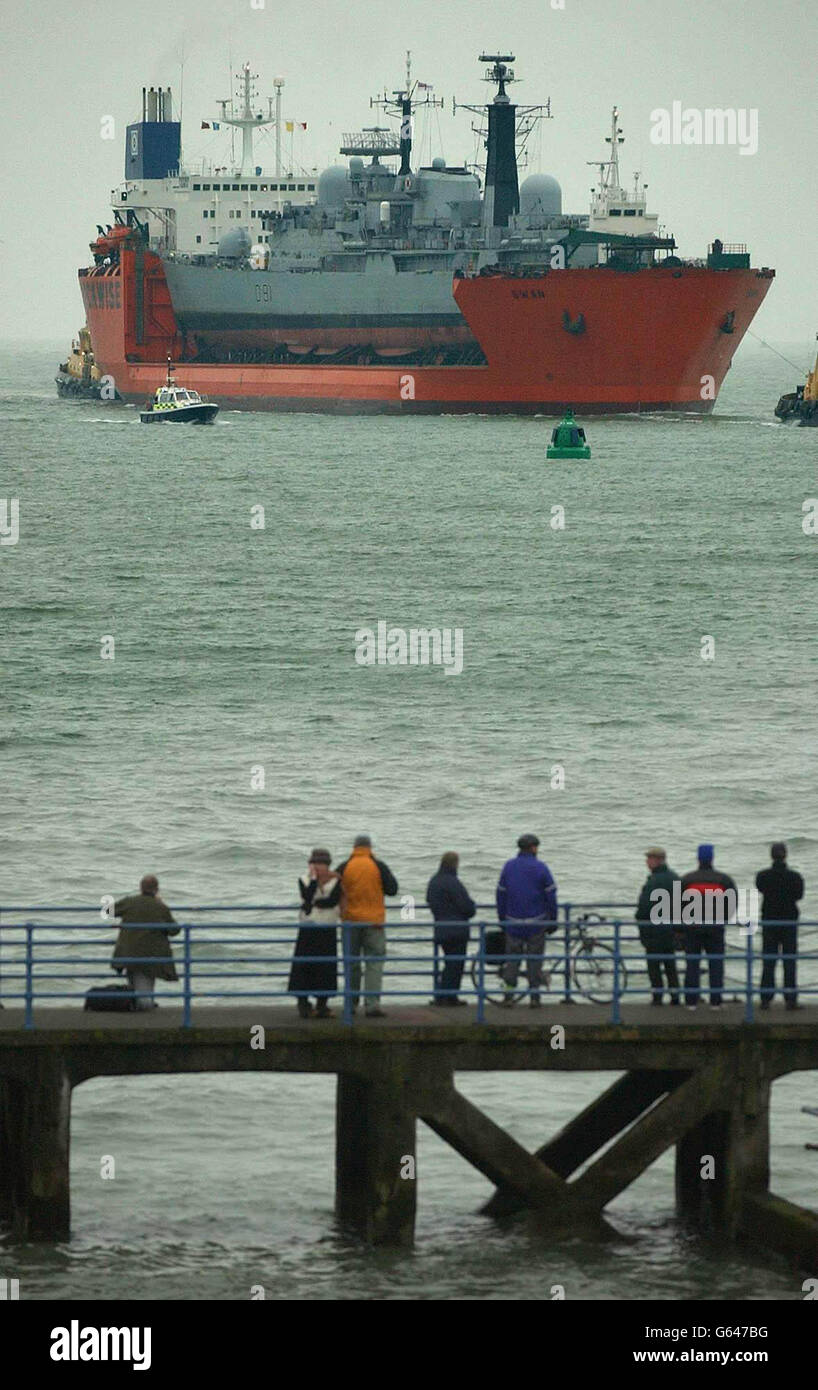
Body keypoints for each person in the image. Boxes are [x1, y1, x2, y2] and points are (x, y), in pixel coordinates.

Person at [337, 835, 398, 1018]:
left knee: (352, 963)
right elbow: (393, 889)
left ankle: (351, 1004)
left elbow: (334, 890)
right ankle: (372, 1005)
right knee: (374, 962)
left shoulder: (344, 866)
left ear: (354, 847)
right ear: (370, 847)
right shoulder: (378, 865)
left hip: (350, 922)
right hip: (374, 922)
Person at [496, 834, 557, 1007]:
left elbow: (500, 894)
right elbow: (551, 896)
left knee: (512, 960)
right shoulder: (541, 868)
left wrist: (502, 919)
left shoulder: (508, 867)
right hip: (536, 923)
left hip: (513, 923)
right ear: (533, 848)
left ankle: (508, 995)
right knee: (534, 960)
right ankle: (534, 996)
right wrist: (553, 920)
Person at [679, 845, 736, 1009]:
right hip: (715, 929)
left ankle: (691, 1002)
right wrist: (723, 918)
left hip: (692, 929)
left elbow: (677, 905)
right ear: (712, 858)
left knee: (692, 965)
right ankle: (716, 1002)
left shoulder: (687, 880)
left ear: (698, 859)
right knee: (716, 965)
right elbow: (732, 904)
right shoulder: (724, 880)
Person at [112, 874, 179, 1010]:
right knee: (145, 1002)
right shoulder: (160, 907)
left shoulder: (129, 902)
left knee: (134, 984)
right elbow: (174, 931)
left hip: (126, 953)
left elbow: (106, 911)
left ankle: (134, 1004)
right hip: (150, 956)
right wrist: (160, 903)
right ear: (156, 890)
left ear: (140, 888)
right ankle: (142, 1007)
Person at [288, 849, 341, 1018]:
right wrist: (313, 881)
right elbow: (307, 896)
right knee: (303, 967)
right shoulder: (303, 879)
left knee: (325, 968)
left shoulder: (336, 880)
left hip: (327, 928)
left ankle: (322, 1005)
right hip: (308, 928)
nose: (318, 867)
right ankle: (303, 1004)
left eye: (322, 864)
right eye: (315, 864)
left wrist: (315, 902)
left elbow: (332, 901)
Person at [756, 842, 804, 1010]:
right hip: (789, 922)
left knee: (769, 961)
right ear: (786, 855)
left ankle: (765, 999)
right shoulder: (795, 877)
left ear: (771, 856)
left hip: (770, 922)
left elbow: (760, 889)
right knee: (789, 961)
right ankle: (790, 999)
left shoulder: (762, 876)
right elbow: (799, 895)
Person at [426, 851, 476, 1006]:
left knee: (449, 963)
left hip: (441, 927)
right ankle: (448, 996)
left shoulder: (434, 881)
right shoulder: (453, 882)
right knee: (455, 965)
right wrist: (471, 907)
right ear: (455, 864)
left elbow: (429, 900)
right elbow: (467, 907)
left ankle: (444, 995)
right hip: (457, 929)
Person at [635, 847, 681, 1005]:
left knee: (654, 966)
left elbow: (645, 907)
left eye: (649, 858)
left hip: (653, 930)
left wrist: (639, 921)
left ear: (658, 860)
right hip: (671, 929)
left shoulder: (653, 881)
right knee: (670, 965)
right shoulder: (675, 878)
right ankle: (675, 996)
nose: (647, 861)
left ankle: (657, 996)